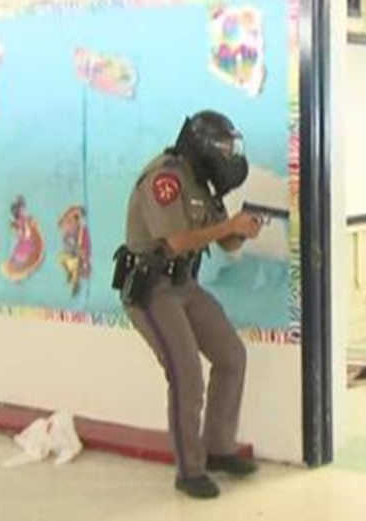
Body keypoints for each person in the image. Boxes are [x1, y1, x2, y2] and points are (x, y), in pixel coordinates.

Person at [113, 110, 263, 499]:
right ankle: (189, 470)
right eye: (223, 148)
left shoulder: (204, 184)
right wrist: (229, 227)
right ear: (202, 147)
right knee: (186, 375)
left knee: (231, 356)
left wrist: (242, 229)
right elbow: (177, 241)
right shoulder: (165, 178)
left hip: (184, 284)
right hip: (151, 288)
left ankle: (219, 449)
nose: (229, 156)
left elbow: (226, 241)